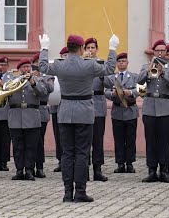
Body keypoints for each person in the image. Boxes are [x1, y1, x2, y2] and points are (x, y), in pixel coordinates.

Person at [37, 32, 119, 202]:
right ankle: (80, 191)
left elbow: (42, 66)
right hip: (84, 112)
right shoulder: (89, 65)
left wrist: (44, 48)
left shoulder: (60, 64)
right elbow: (110, 69)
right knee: (82, 153)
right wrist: (112, 49)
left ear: (68, 48)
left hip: (65, 111)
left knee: (67, 153)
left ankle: (68, 192)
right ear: (81, 48)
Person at [138, 41, 169, 183]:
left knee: (165, 141)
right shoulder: (146, 66)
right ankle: (151, 170)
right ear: (154, 52)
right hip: (150, 107)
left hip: (165, 107)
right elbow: (139, 82)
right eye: (158, 50)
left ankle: (164, 170)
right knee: (151, 140)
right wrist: (149, 69)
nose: (160, 53)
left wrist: (163, 72)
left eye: (163, 51)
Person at [6, 58, 50, 180]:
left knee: (31, 146)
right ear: (19, 69)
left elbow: (43, 93)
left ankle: (29, 170)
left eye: (28, 67)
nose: (26, 69)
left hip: (32, 116)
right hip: (16, 116)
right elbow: (5, 95)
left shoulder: (38, 80)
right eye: (23, 67)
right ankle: (19, 170)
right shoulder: (12, 81)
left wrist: (32, 82)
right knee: (18, 146)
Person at [104, 52, 139, 173]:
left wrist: (131, 93)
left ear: (127, 63)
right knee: (118, 138)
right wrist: (112, 94)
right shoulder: (112, 78)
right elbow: (106, 91)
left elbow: (141, 89)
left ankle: (130, 163)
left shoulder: (134, 76)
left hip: (130, 110)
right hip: (117, 111)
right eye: (119, 61)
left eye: (123, 61)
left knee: (130, 138)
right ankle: (120, 163)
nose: (121, 63)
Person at [83, 37, 110, 182]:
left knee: (98, 139)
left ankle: (97, 169)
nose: (90, 50)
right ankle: (84, 169)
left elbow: (110, 82)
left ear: (97, 50)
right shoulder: (81, 64)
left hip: (98, 104)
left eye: (92, 48)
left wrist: (102, 74)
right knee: (84, 139)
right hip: (85, 103)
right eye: (88, 48)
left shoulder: (102, 64)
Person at [49, 46, 67, 173]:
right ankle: (61, 160)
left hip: (68, 107)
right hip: (56, 107)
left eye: (68, 56)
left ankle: (68, 160)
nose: (66, 58)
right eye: (64, 56)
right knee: (58, 135)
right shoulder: (55, 70)